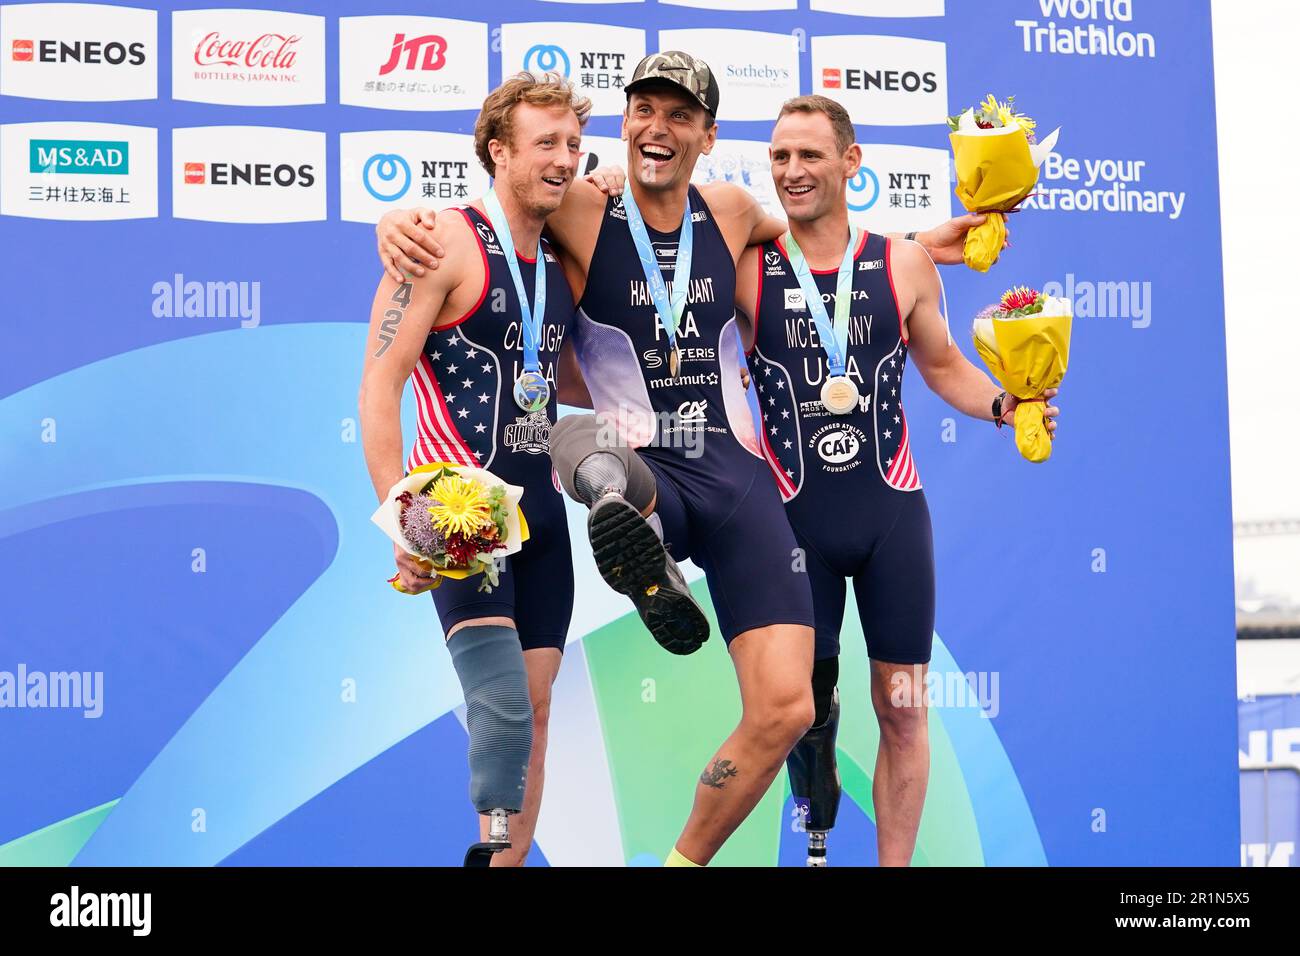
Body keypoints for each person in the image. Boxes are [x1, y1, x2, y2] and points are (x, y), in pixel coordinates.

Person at [375, 55, 996, 867]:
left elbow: (827, 247)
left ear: (707, 135)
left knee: (787, 708)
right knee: (581, 447)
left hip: (733, 476)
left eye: (678, 116)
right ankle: (638, 546)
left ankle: (680, 861)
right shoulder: (577, 209)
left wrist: (915, 243)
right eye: (643, 111)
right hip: (639, 462)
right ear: (626, 124)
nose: (656, 128)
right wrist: (395, 222)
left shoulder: (736, 211)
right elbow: (493, 211)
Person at [734, 95, 1060, 866]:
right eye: (780, 157)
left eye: (810, 154)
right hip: (790, 526)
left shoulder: (903, 261)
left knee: (904, 708)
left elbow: (943, 363)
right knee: (799, 713)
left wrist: (1007, 406)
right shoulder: (746, 266)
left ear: (851, 162)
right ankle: (815, 845)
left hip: (891, 519)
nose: (792, 171)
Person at [358, 72, 593, 866]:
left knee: (535, 705)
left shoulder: (560, 252)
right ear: (497, 151)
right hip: (461, 505)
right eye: (545, 145)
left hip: (546, 516)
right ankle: (489, 850)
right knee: (501, 707)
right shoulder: (439, 239)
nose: (564, 159)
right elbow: (380, 383)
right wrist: (403, 514)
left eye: (572, 143)